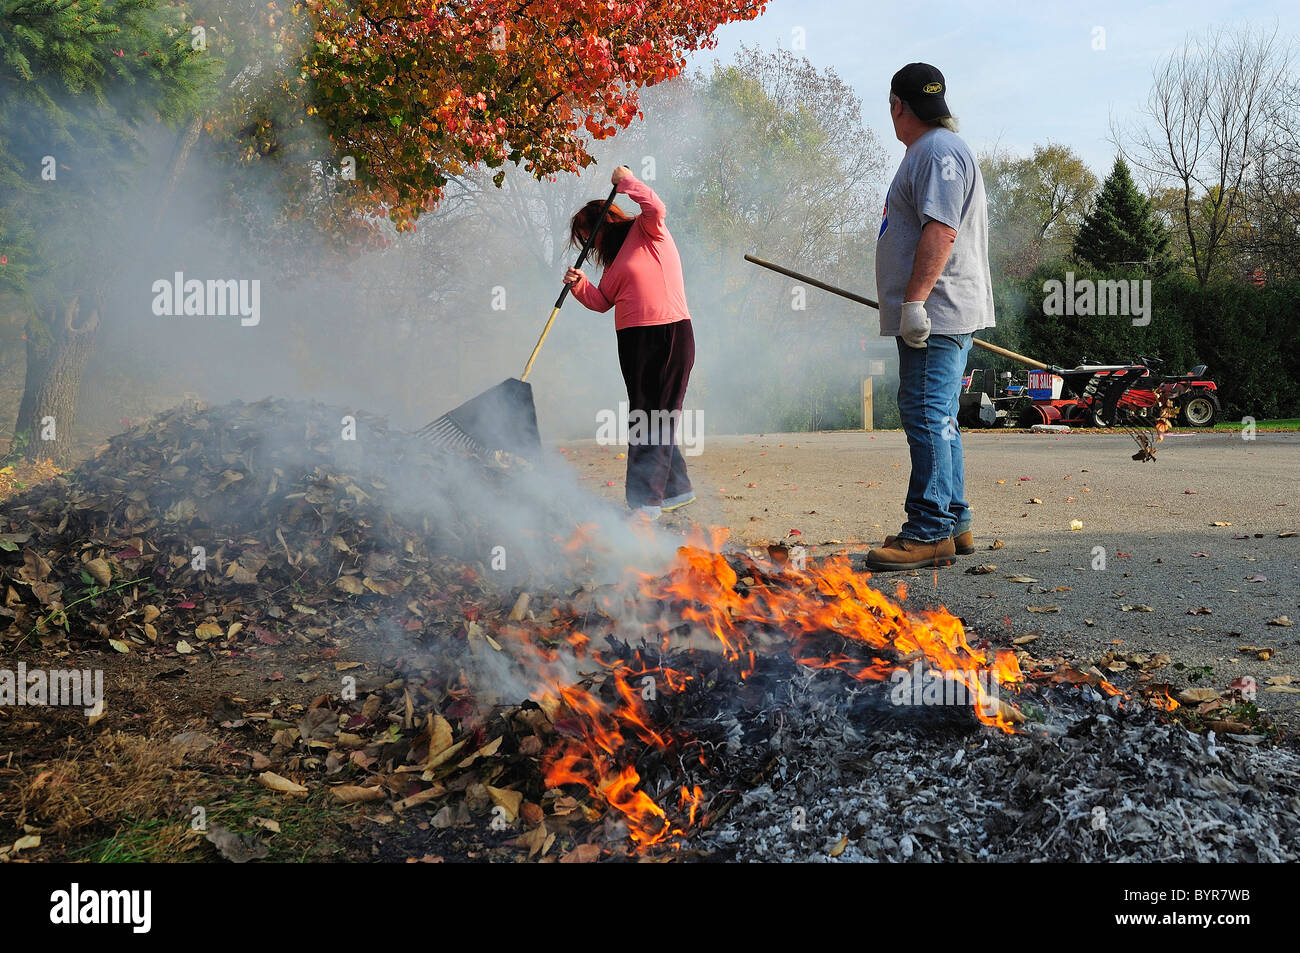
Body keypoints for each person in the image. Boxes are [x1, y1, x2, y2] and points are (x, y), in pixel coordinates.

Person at [868, 63, 995, 571]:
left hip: (935, 314)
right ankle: (955, 521)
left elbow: (940, 229)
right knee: (939, 416)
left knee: (924, 413)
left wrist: (916, 300)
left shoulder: (938, 152)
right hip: (935, 312)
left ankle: (929, 531)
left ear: (898, 105)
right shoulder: (938, 149)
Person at [565, 165, 696, 521]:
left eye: (586, 235)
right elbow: (601, 302)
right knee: (644, 415)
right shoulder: (612, 267)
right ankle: (676, 490)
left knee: (660, 416)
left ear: (602, 223)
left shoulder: (647, 228)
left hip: (670, 331)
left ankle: (644, 503)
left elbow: (656, 206)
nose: (587, 244)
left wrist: (626, 182)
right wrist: (578, 285)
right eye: (582, 240)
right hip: (632, 339)